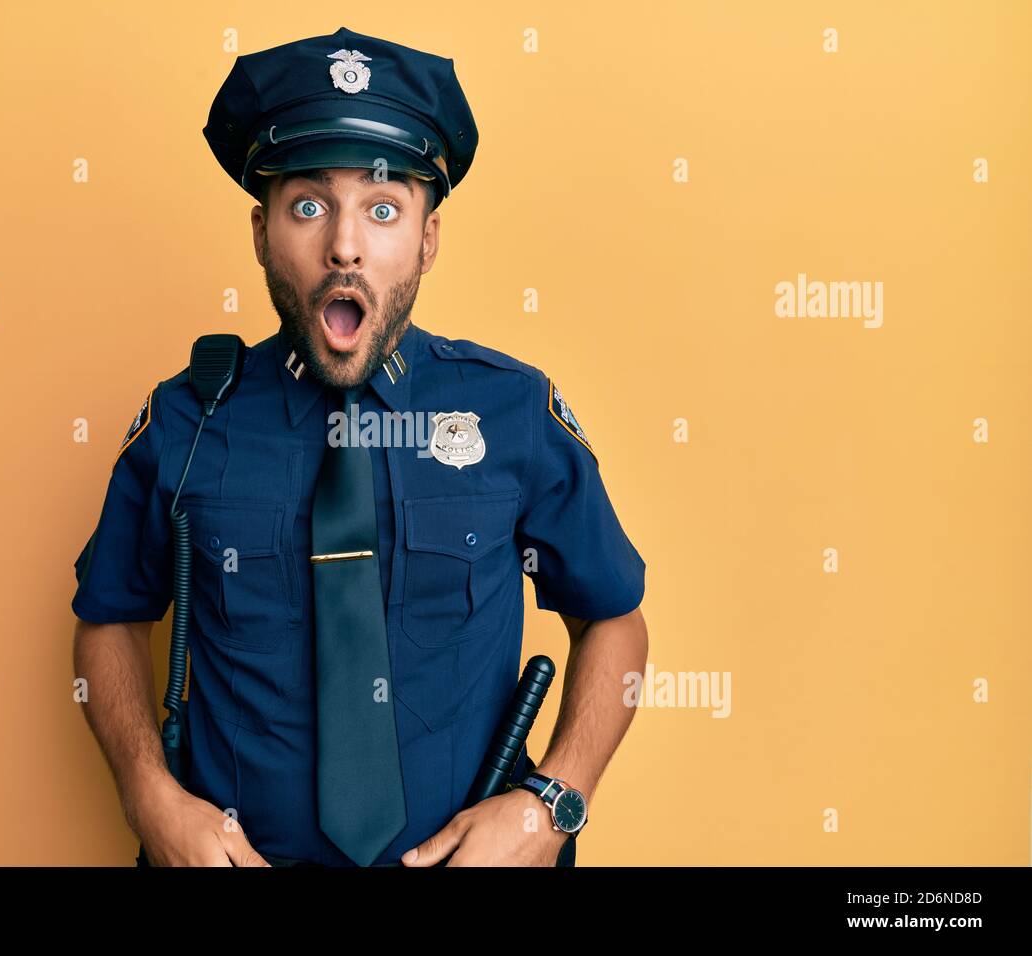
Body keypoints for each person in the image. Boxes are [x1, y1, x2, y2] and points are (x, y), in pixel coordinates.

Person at [71, 25, 649, 868]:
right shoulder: (185, 421)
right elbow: (108, 623)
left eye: (383, 210)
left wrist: (552, 804)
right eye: (309, 205)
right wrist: (147, 795)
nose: (344, 244)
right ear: (263, 232)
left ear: (427, 238)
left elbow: (615, 618)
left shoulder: (512, 411)